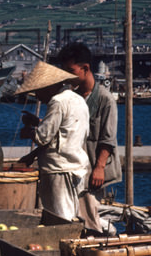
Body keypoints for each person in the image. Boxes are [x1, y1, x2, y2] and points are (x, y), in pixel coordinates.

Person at [57, 42, 121, 234]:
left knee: (91, 217)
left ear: (85, 68)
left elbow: (108, 139)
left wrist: (99, 168)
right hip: (76, 170)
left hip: (94, 170)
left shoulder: (104, 99)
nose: (67, 76)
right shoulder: (71, 96)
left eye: (71, 70)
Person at [15, 61, 90, 223]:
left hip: (59, 169)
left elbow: (43, 137)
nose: (38, 97)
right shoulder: (78, 100)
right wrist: (38, 122)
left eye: (38, 91)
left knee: (61, 218)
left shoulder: (57, 101)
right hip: (76, 166)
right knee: (72, 214)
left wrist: (29, 131)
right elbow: (67, 131)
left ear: (48, 87)